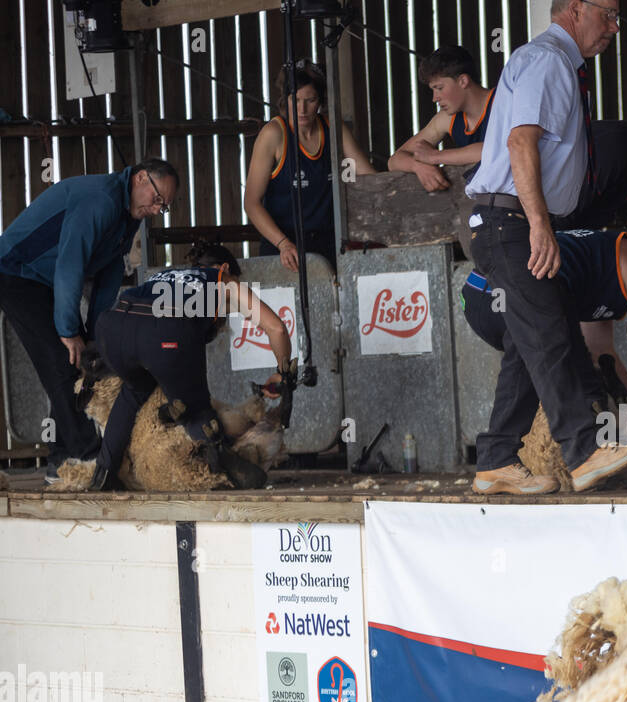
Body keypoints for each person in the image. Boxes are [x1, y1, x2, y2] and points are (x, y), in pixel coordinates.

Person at [464, 0, 627, 496]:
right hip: (512, 221)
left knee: (531, 342)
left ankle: (497, 457)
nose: (615, 26)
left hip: (513, 220)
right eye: (608, 13)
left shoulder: (557, 64)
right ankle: (583, 452)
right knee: (550, 336)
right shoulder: (548, 60)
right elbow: (521, 143)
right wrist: (540, 226)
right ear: (573, 9)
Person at [0, 158, 179, 481]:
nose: (156, 209)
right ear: (140, 178)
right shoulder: (100, 201)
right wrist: (69, 331)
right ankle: (84, 457)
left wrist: (98, 336)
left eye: (163, 207)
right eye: (156, 199)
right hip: (17, 272)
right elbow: (71, 263)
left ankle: (60, 460)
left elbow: (109, 272)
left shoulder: (128, 216)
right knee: (63, 359)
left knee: (83, 361)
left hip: (47, 279)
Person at [86, 242, 292, 491]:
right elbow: (276, 328)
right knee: (197, 411)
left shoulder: (168, 276)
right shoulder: (223, 280)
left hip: (112, 329)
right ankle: (219, 475)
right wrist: (283, 373)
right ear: (225, 268)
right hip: (163, 331)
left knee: (132, 393)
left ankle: (104, 472)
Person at [461, 229, 627, 396]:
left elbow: (601, 352)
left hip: (480, 299)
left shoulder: (610, 276)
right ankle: (582, 449)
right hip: (498, 292)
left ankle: (503, 453)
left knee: (556, 369)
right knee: (569, 378)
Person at [244, 60, 375, 271]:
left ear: (320, 101)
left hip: (329, 241)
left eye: (310, 100)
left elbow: (367, 177)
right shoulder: (274, 135)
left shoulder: (333, 128)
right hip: (285, 246)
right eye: (295, 100)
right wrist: (283, 243)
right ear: (284, 99)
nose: (302, 109)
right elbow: (251, 202)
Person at [389, 45, 495, 192]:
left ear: (463, 81)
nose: (434, 98)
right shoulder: (447, 119)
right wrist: (418, 166)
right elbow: (395, 160)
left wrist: (435, 157)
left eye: (439, 88)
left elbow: (500, 148)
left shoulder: (502, 102)